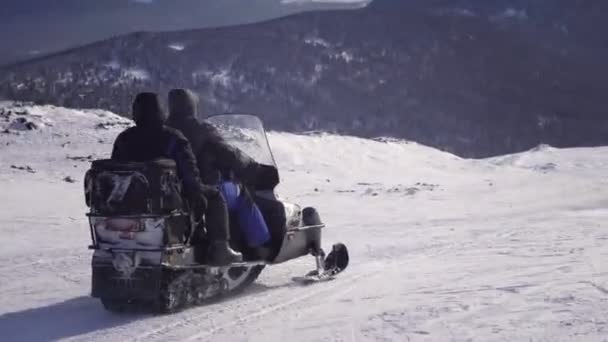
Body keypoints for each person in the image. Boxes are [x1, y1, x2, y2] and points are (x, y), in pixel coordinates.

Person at [111, 92, 242, 266]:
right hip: (166, 200)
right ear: (160, 111)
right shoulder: (172, 137)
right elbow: (189, 172)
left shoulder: (124, 139)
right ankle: (220, 249)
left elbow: (115, 170)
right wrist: (197, 193)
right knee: (215, 196)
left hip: (127, 202)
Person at [166, 88, 272, 258]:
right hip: (206, 186)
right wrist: (254, 169)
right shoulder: (202, 129)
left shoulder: (164, 129)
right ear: (192, 106)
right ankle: (260, 247)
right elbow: (230, 154)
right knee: (243, 194)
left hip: (174, 192)